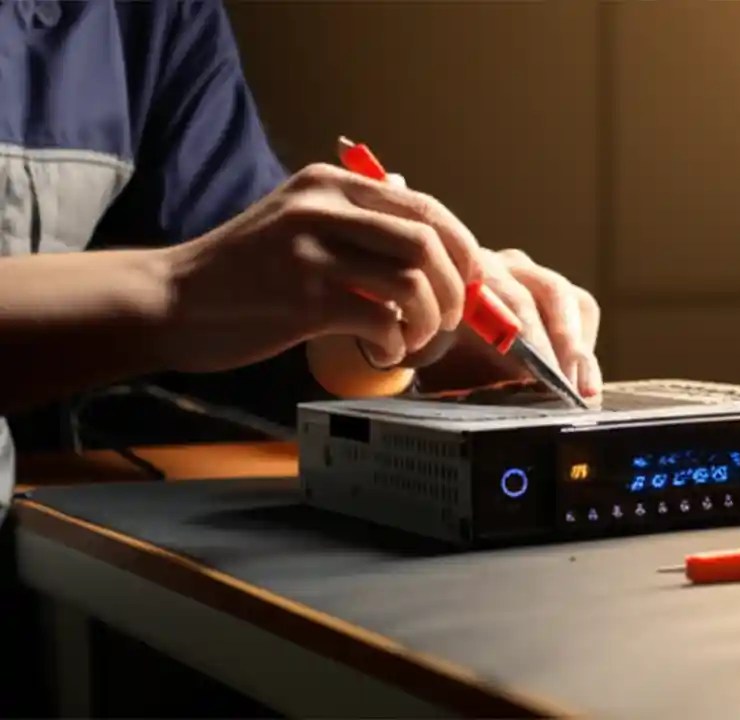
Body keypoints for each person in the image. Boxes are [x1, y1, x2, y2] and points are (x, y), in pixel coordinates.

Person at [0, 1, 603, 524]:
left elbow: (242, 292)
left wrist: (381, 332)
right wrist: (175, 290)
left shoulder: (151, 15)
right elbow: (199, 290)